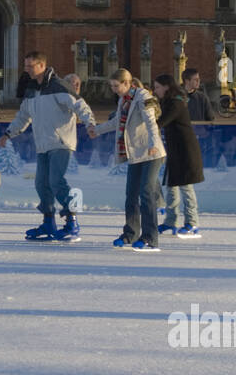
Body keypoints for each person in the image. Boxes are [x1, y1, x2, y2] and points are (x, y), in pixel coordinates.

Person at [0, 52, 94, 242]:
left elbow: (80, 105)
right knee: (41, 184)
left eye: (30, 66)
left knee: (55, 181)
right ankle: (48, 222)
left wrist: (89, 123)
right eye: (25, 65)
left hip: (61, 142)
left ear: (42, 66)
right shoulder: (31, 90)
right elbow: (23, 116)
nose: (26, 69)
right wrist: (9, 133)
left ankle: (72, 221)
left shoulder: (59, 86)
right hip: (43, 144)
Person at [88, 68, 166, 251]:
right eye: (111, 86)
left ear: (126, 83)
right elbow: (117, 122)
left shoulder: (142, 97)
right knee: (131, 194)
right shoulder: (124, 100)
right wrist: (97, 130)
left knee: (146, 193)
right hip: (136, 154)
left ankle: (150, 238)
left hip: (152, 152)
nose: (113, 89)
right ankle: (130, 234)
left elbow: (150, 122)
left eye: (116, 86)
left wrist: (154, 143)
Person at [153, 74, 205, 238]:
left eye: (157, 87)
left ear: (166, 87)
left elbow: (161, 122)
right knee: (172, 186)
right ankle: (171, 221)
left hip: (186, 150)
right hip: (175, 149)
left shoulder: (176, 103)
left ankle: (192, 222)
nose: (155, 91)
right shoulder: (168, 101)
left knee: (186, 186)